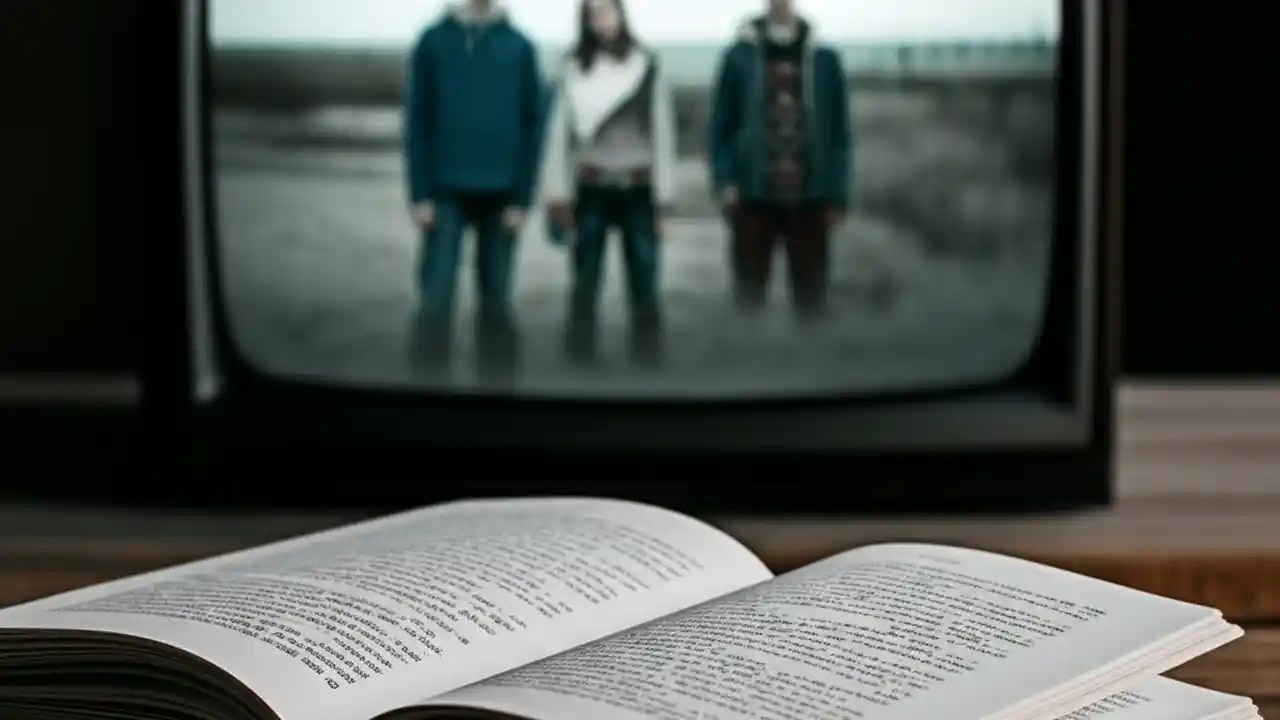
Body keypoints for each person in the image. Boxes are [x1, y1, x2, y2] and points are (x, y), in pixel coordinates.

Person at [404, 0, 543, 381]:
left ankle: (497, 392)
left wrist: (523, 199)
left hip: (503, 196)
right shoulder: (432, 41)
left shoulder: (520, 46)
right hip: (443, 193)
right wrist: (420, 193)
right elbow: (417, 120)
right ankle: (426, 389)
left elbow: (533, 126)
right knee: (435, 299)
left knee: (496, 301)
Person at [538, 0, 677, 367]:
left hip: (637, 187)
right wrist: (556, 193)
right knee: (585, 280)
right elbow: (559, 134)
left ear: (620, 13)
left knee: (644, 279)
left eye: (607, 10)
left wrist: (664, 200)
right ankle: (580, 360)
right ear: (586, 20)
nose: (602, 19)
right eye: (594, 13)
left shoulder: (647, 64)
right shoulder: (573, 66)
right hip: (591, 186)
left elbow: (662, 133)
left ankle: (647, 360)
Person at [709, 0, 854, 320]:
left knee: (812, 302)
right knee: (748, 301)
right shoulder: (738, 56)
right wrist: (725, 181)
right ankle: (749, 353)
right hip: (752, 195)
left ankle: (810, 353)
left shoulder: (825, 59)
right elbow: (721, 126)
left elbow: (840, 134)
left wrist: (838, 194)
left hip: (810, 196)